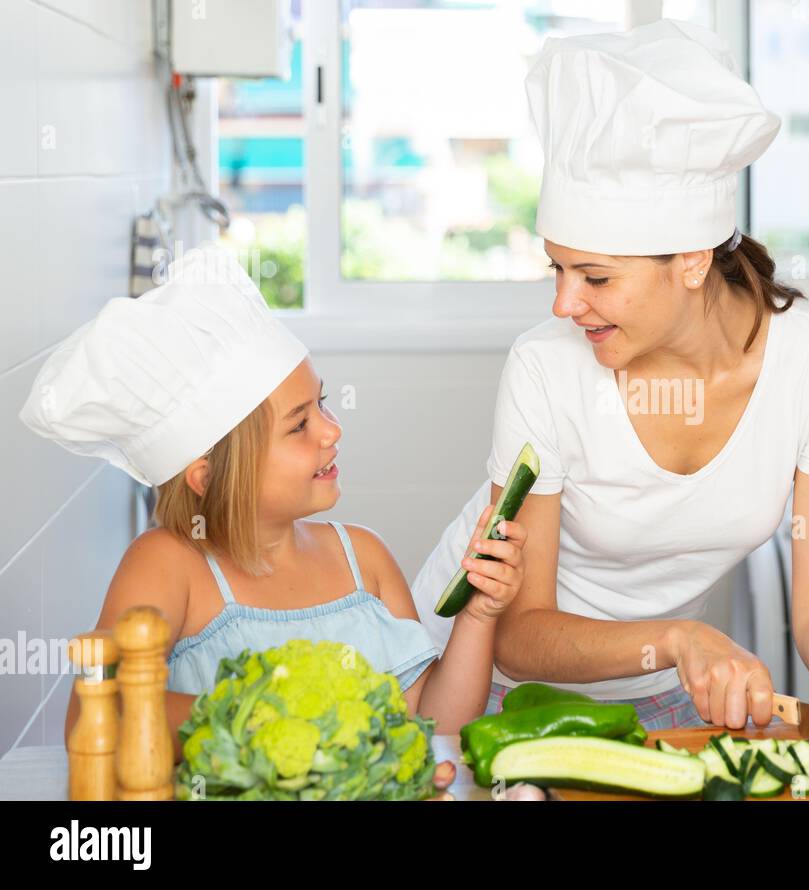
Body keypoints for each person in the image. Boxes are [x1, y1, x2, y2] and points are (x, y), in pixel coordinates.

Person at [414, 19, 809, 738]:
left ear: (691, 260)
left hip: (659, 694)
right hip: (486, 687)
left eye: (594, 276)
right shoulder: (545, 367)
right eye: (555, 269)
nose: (563, 304)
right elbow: (520, 630)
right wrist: (680, 639)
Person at [22, 247, 526, 760]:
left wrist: (480, 614)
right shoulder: (169, 565)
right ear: (208, 475)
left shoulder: (364, 559)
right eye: (299, 424)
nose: (333, 430)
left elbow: (434, 727)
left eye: (323, 404)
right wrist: (278, 711)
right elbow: (99, 713)